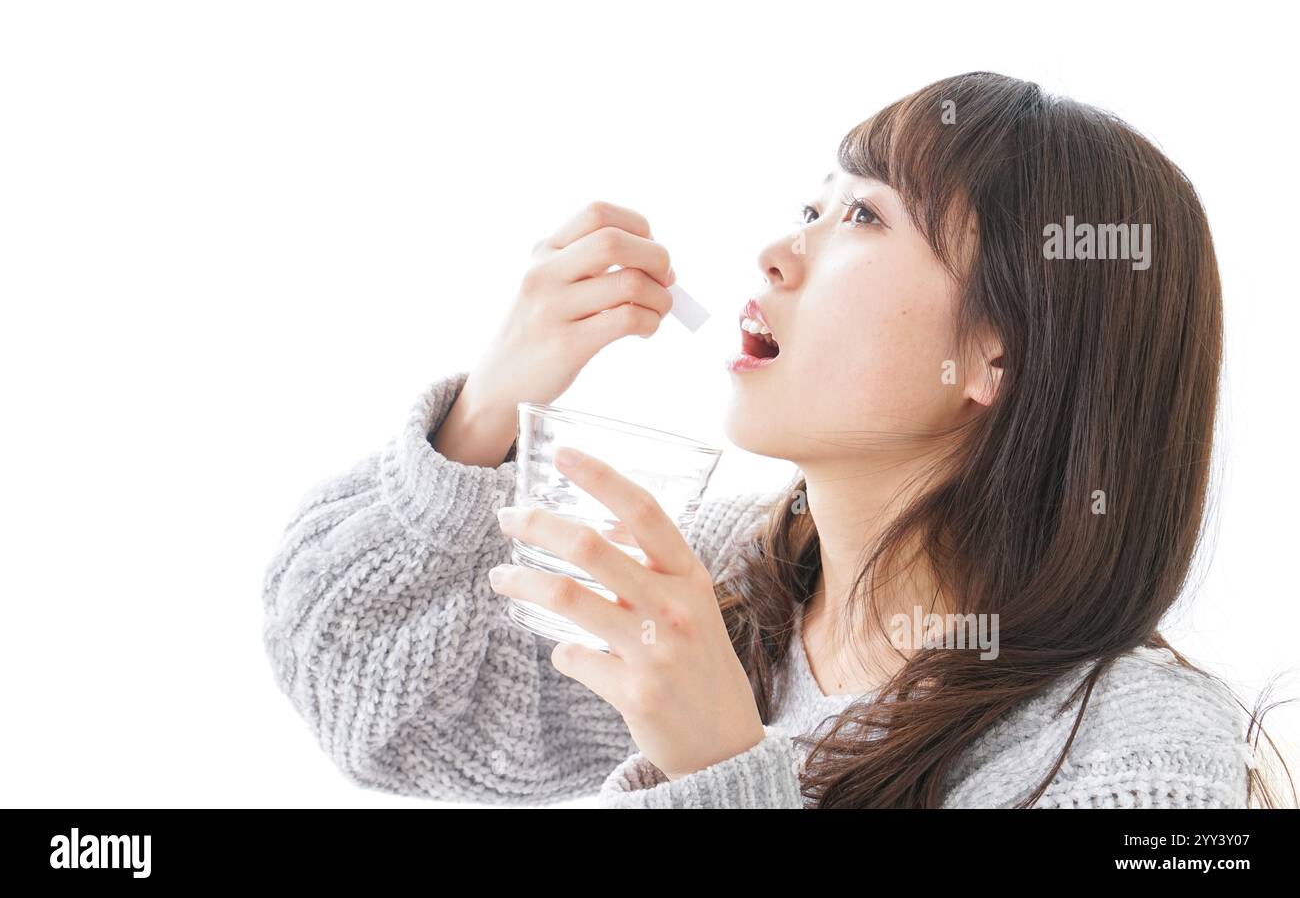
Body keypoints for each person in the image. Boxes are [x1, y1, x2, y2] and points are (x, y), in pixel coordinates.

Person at [261, 71, 1290, 808]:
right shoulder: (726, 590)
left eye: (865, 219)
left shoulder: (1137, 744)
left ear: (996, 359)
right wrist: (482, 413)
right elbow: (378, 705)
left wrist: (722, 769)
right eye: (813, 204)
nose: (776, 251)